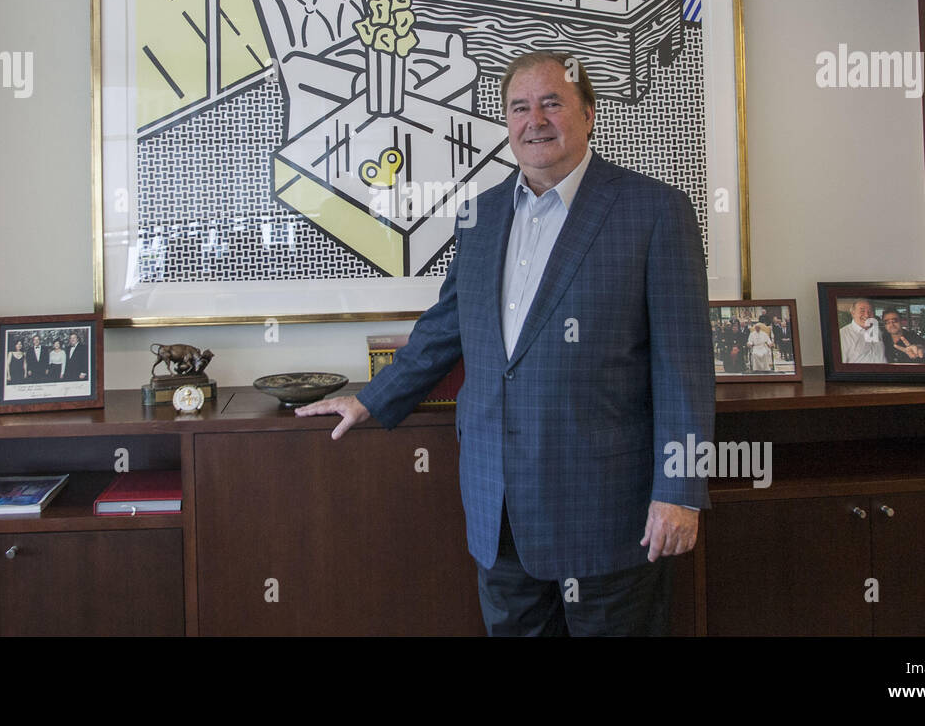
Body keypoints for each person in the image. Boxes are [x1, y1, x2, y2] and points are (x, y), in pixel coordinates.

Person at [297, 50, 714, 636]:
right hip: (500, 511)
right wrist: (370, 398)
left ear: (589, 114)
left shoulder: (653, 210)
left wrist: (681, 492)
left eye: (552, 103)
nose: (534, 120)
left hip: (609, 513)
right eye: (519, 107)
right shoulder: (480, 214)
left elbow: (685, 369)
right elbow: (446, 327)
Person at [839, 298, 886, 363]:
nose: (867, 315)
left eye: (870, 311)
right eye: (862, 311)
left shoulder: (877, 331)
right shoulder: (842, 335)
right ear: (853, 313)